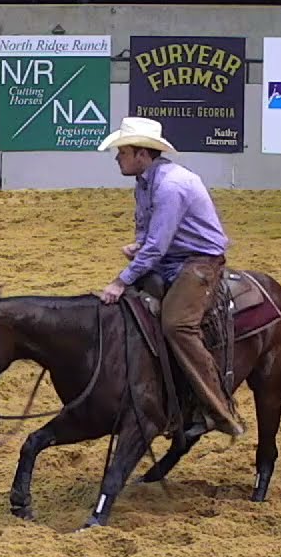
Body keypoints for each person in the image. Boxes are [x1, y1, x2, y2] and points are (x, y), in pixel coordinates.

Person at [96, 117, 244, 439]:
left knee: (176, 325)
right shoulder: (147, 182)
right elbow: (148, 233)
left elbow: (157, 247)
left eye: (122, 151)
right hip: (172, 258)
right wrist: (139, 244)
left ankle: (218, 407)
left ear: (141, 155)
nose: (117, 157)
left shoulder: (170, 186)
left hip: (200, 262)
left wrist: (121, 280)